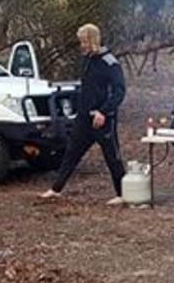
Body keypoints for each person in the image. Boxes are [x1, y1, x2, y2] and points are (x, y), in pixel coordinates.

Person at [39, 24, 127, 205]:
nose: (82, 45)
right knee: (72, 152)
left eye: (84, 41)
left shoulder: (109, 62)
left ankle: (122, 193)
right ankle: (56, 189)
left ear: (92, 40)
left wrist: (104, 111)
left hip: (103, 118)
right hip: (84, 116)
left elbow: (119, 92)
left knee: (112, 155)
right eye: (81, 42)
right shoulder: (87, 60)